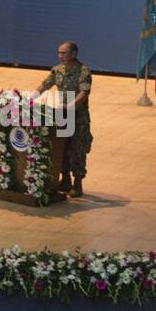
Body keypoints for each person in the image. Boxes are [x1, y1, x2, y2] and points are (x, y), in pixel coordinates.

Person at [32, 40, 92, 196]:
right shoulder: (57, 70)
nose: (60, 56)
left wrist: (71, 106)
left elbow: (84, 92)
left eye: (63, 53)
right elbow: (45, 85)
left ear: (73, 54)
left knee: (77, 150)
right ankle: (65, 180)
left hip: (78, 118)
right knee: (62, 148)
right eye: (59, 53)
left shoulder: (83, 71)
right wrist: (29, 100)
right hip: (61, 116)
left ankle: (77, 184)